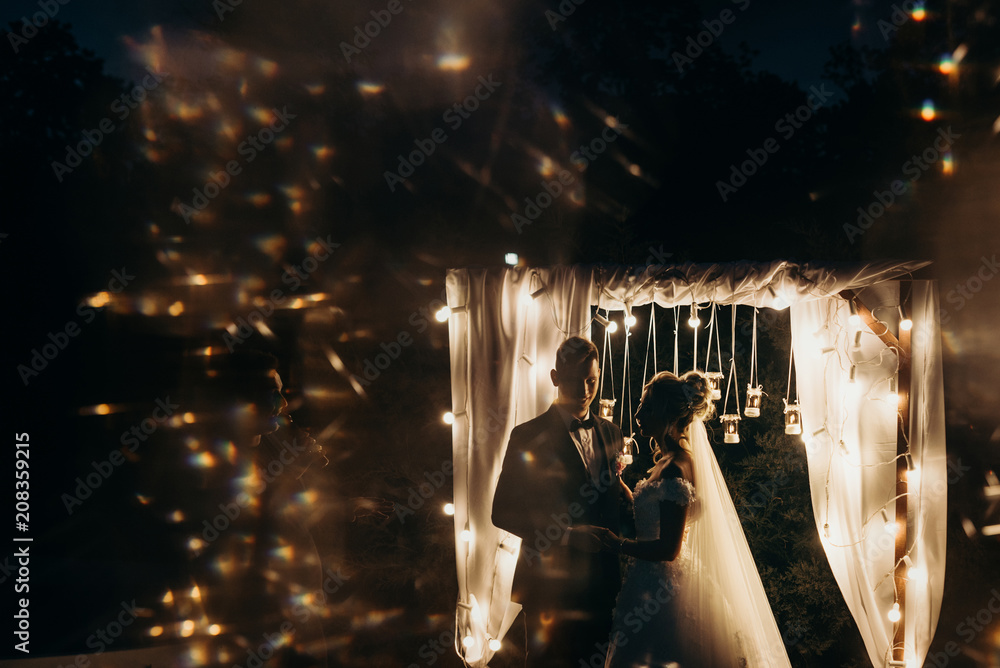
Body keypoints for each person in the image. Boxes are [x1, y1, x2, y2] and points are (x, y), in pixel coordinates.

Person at [588, 371, 793, 668]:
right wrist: (626, 492)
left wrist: (615, 543)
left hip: (661, 591)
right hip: (649, 581)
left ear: (665, 413)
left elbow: (669, 549)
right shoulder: (668, 462)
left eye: (645, 407)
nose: (637, 413)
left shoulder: (675, 467)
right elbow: (660, 518)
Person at [492, 336, 629, 667]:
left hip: (603, 586)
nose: (583, 390)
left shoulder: (612, 433)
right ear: (555, 377)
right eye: (573, 380)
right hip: (547, 591)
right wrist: (568, 534)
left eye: (591, 380)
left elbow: (611, 504)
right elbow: (502, 512)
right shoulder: (527, 435)